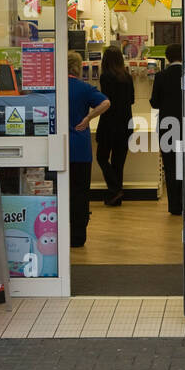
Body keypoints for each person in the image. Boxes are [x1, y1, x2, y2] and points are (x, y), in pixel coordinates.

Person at [67, 51, 110, 247]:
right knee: (80, 192)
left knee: (60, 192)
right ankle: (78, 236)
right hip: (80, 147)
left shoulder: (55, 88)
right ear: (78, 66)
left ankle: (58, 233)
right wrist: (89, 118)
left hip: (58, 147)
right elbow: (106, 102)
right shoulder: (84, 88)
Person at [95, 45, 135, 206]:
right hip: (126, 123)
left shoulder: (106, 77)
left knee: (101, 157)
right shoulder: (127, 76)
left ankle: (115, 190)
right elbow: (131, 100)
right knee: (118, 162)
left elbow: (105, 101)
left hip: (109, 123)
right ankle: (115, 194)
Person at [149, 42, 185, 215]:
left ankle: (174, 206)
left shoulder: (161, 76)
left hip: (166, 125)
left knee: (170, 165)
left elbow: (154, 102)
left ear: (167, 57)